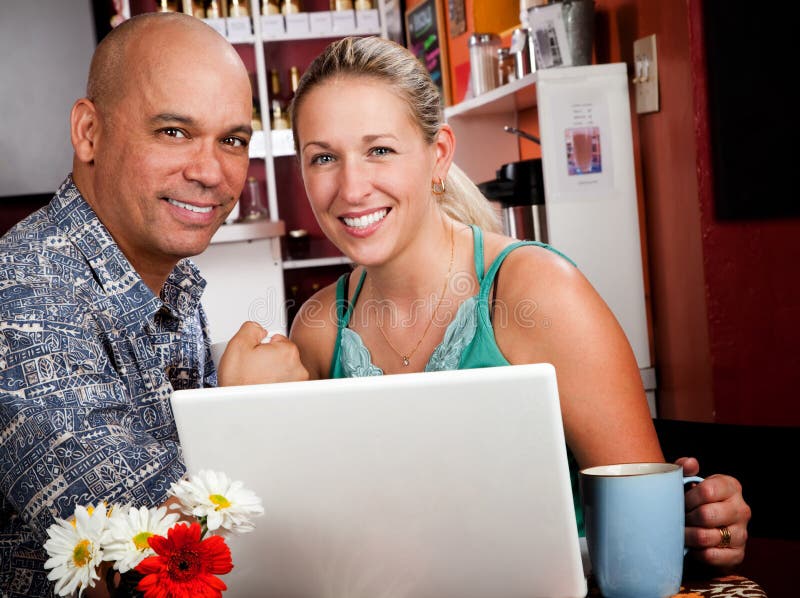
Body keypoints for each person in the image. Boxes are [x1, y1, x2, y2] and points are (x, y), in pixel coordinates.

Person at [279, 36, 750, 568]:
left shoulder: (536, 290)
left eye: (379, 150)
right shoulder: (317, 328)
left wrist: (701, 524)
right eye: (323, 158)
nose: (352, 186)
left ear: (438, 156)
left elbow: (650, 541)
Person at [0, 13, 305, 598]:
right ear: (89, 132)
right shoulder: (23, 297)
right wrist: (253, 413)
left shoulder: (171, 278)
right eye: (173, 132)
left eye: (233, 140)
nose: (210, 172)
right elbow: (139, 567)